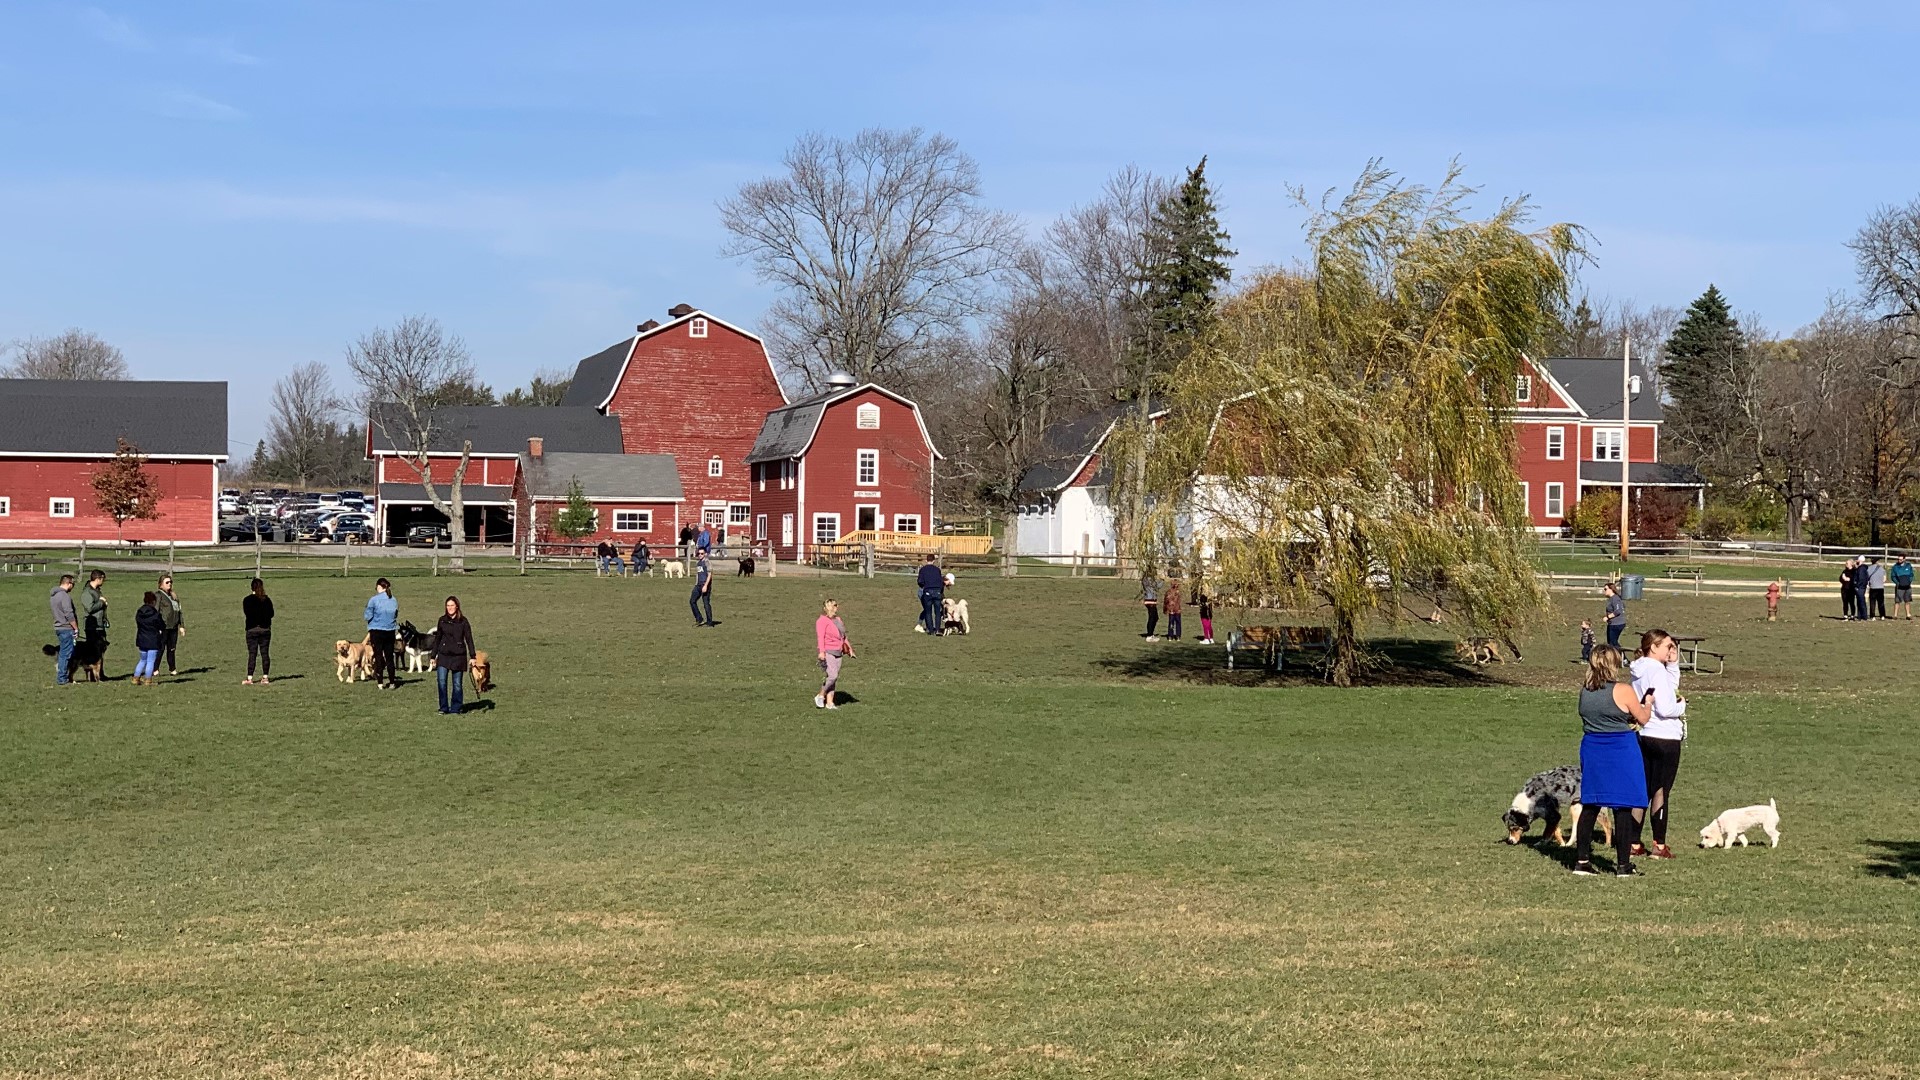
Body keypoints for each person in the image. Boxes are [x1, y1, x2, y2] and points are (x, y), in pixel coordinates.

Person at [1571, 644, 1653, 877]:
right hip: (1620, 748)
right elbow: (1643, 718)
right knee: (1623, 805)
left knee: (1591, 803)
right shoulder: (1623, 689)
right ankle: (1623, 865)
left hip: (1593, 747)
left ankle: (1582, 861)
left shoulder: (1585, 691)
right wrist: (1648, 703)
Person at [1630, 629, 1687, 861]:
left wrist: (1672, 665)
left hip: (1644, 734)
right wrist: (1682, 705)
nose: (1671, 650)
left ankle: (1633, 842)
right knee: (1660, 790)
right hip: (1665, 737)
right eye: (1667, 646)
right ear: (1653, 647)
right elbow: (1666, 707)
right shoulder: (1656, 670)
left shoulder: (1639, 669)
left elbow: (1666, 687)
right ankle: (1659, 845)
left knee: (1642, 789)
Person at [433, 596, 476, 714]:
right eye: (448, 606)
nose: (450, 608)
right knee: (441, 682)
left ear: (457, 606)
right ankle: (443, 707)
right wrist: (433, 655)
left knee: (457, 684)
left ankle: (456, 707)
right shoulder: (442, 620)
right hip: (443, 655)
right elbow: (437, 639)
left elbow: (469, 639)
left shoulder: (463, 621)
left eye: (452, 605)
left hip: (458, 656)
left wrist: (473, 656)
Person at [815, 598, 855, 709]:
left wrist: (850, 649)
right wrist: (821, 652)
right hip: (828, 651)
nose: (833, 608)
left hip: (839, 651)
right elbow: (820, 637)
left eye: (834, 605)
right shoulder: (822, 621)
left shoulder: (838, 620)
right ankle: (820, 695)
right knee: (833, 676)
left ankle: (830, 703)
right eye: (830, 606)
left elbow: (843, 636)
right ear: (825, 608)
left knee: (833, 678)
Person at [364, 577, 400, 689]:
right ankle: (392, 681)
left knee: (378, 656)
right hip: (390, 631)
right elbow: (395, 614)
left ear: (379, 586)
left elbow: (367, 616)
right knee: (389, 657)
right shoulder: (393, 600)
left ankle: (380, 682)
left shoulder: (374, 600)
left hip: (377, 631)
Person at [242, 577, 274, 685]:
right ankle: (265, 677)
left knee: (252, 654)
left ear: (252, 588)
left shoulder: (247, 600)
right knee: (265, 653)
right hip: (265, 629)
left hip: (252, 630)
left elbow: (247, 613)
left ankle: (250, 678)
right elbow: (271, 614)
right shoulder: (267, 600)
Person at [78, 569, 110, 675]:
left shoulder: (97, 590)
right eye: (103, 579)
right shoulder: (87, 592)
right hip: (92, 627)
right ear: (97, 578)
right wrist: (101, 602)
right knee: (93, 652)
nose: (103, 581)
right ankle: (92, 674)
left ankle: (100, 673)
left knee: (100, 651)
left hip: (99, 625)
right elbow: (90, 608)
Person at [50, 574, 79, 685]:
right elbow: (69, 614)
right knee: (66, 654)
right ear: (68, 583)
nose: (73, 587)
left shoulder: (54, 596)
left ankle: (63, 676)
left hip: (58, 627)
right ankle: (62, 678)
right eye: (73, 584)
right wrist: (75, 628)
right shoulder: (64, 596)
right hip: (66, 628)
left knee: (63, 652)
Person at [132, 591, 165, 686]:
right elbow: (162, 625)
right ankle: (148, 679)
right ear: (153, 601)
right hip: (153, 640)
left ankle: (135, 678)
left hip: (142, 639)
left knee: (142, 660)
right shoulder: (155, 614)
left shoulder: (139, 612)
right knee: (150, 661)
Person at [155, 574, 184, 676]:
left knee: (172, 649)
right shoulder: (158, 595)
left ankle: (172, 668)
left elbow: (179, 611)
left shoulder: (174, 596)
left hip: (173, 627)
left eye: (171, 582)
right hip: (163, 627)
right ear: (161, 584)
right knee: (160, 649)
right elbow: (155, 611)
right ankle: (155, 668)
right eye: (167, 582)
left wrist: (181, 625)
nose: (169, 584)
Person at [915, 554, 944, 635]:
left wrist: (924, 586)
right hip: (937, 591)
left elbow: (920, 581)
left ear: (926, 560)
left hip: (928, 591)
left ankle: (931, 630)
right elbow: (940, 581)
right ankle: (937, 629)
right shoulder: (937, 570)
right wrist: (940, 591)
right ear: (934, 560)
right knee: (937, 612)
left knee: (928, 611)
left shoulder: (923, 570)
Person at [690, 553, 715, 627]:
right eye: (698, 553)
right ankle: (699, 619)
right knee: (692, 601)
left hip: (705, 585)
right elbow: (698, 574)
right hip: (698, 585)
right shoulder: (698, 563)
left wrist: (706, 585)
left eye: (702, 553)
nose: (700, 555)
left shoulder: (707, 562)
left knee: (706, 603)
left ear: (705, 554)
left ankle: (709, 622)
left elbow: (710, 574)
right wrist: (696, 584)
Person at [1601, 582, 1626, 649]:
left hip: (1617, 624)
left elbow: (1618, 611)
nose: (1604, 591)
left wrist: (1607, 617)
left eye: (1605, 589)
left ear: (1611, 589)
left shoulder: (1615, 598)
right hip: (1612, 623)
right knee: (1611, 642)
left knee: (1613, 643)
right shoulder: (1611, 599)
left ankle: (1621, 654)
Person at [1142, 574, 1161, 641]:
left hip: (1151, 600)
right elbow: (1157, 586)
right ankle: (1149, 635)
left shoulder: (1146, 579)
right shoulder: (1148, 580)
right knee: (1152, 618)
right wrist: (1161, 580)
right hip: (1150, 600)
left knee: (1155, 617)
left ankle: (1151, 633)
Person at [1855, 557, 1872, 621]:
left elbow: (1861, 578)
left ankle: (1864, 616)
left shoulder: (1861, 569)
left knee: (1861, 601)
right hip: (1861, 587)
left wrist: (1857, 586)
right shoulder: (1860, 568)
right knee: (1859, 602)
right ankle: (1860, 616)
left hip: (1860, 587)